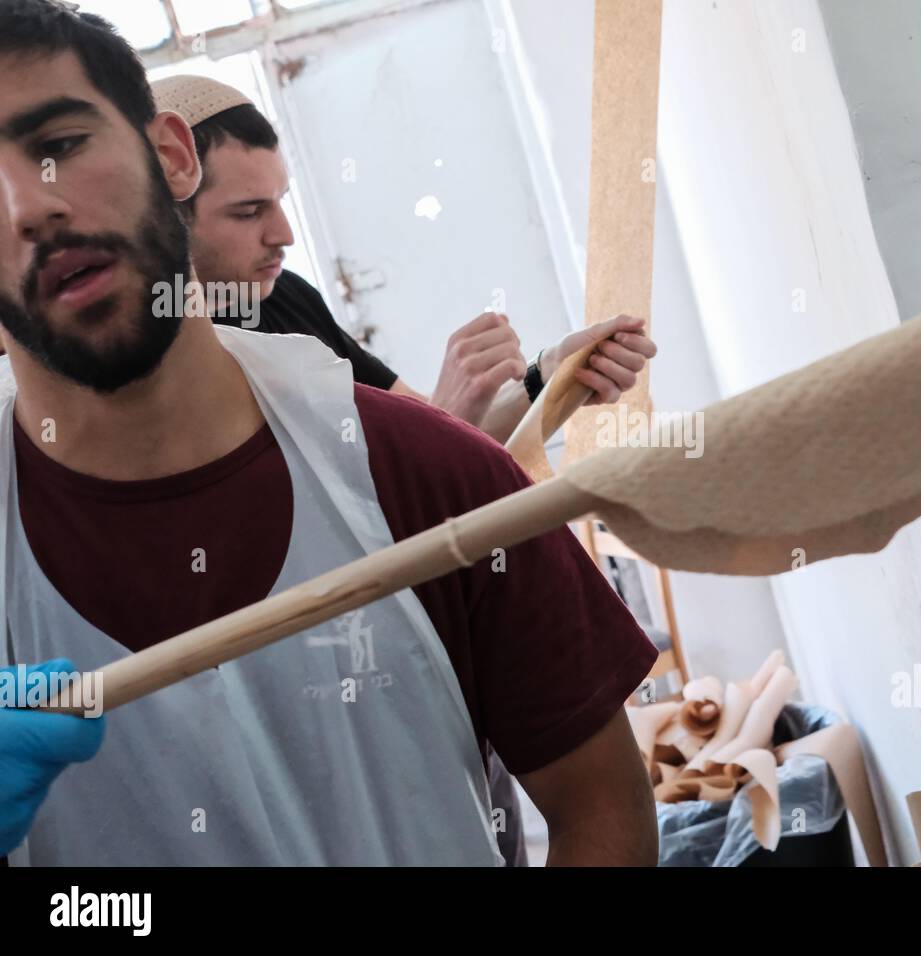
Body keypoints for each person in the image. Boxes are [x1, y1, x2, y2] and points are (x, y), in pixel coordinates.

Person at [0, 0, 659, 865]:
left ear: (170, 154)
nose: (26, 208)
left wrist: (535, 383)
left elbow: (603, 808)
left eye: (60, 145)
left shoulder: (430, 477)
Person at [150, 74, 657, 444]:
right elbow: (362, 518)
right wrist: (447, 415)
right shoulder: (179, 364)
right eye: (247, 212)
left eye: (282, 201)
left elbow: (458, 436)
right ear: (166, 220)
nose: (283, 236)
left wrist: (550, 378)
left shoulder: (286, 296)